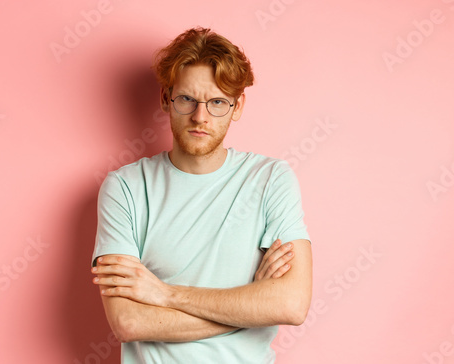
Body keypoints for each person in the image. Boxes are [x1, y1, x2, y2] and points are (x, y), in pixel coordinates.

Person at [90, 27, 313, 363]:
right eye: (187, 99)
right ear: (166, 99)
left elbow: (291, 305)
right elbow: (129, 321)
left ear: (237, 107)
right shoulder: (125, 188)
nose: (200, 116)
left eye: (217, 102)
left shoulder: (270, 179)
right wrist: (250, 305)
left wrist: (164, 294)